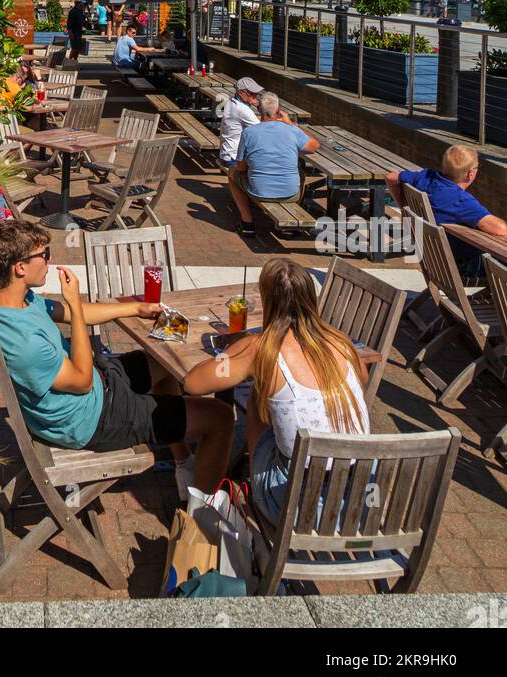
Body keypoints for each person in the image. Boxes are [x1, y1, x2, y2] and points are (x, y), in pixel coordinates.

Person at [0, 219, 232, 496]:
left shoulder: (15, 300)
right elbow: (82, 380)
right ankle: (202, 519)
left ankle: (183, 462)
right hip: (92, 419)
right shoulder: (24, 342)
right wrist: (75, 305)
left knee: (163, 360)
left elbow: (76, 313)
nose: (50, 261)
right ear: (20, 267)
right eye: (44, 255)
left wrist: (136, 308)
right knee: (220, 417)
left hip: (99, 385)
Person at [183, 257, 369, 525]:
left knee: (259, 399)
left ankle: (227, 496)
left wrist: (234, 351)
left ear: (267, 301)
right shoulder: (341, 343)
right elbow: (360, 384)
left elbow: (193, 382)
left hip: (293, 504)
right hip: (354, 500)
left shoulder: (260, 348)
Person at [386, 144, 507, 279]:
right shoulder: (460, 201)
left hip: (434, 261)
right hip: (462, 265)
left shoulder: (425, 177)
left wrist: (403, 208)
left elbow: (391, 177)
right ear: (470, 174)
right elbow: (500, 229)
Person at [227, 91, 320, 236]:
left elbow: (240, 167)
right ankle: (290, 220)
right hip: (291, 193)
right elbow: (315, 145)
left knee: (231, 172)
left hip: (258, 192)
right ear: (278, 110)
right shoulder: (291, 130)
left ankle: (247, 222)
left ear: (259, 110)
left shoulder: (249, 133)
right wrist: (292, 124)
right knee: (301, 173)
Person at [219, 76, 263, 166]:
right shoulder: (242, 109)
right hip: (233, 158)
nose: (256, 96)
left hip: (226, 153)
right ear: (241, 92)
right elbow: (263, 131)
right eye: (252, 94)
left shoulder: (232, 101)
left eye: (257, 94)